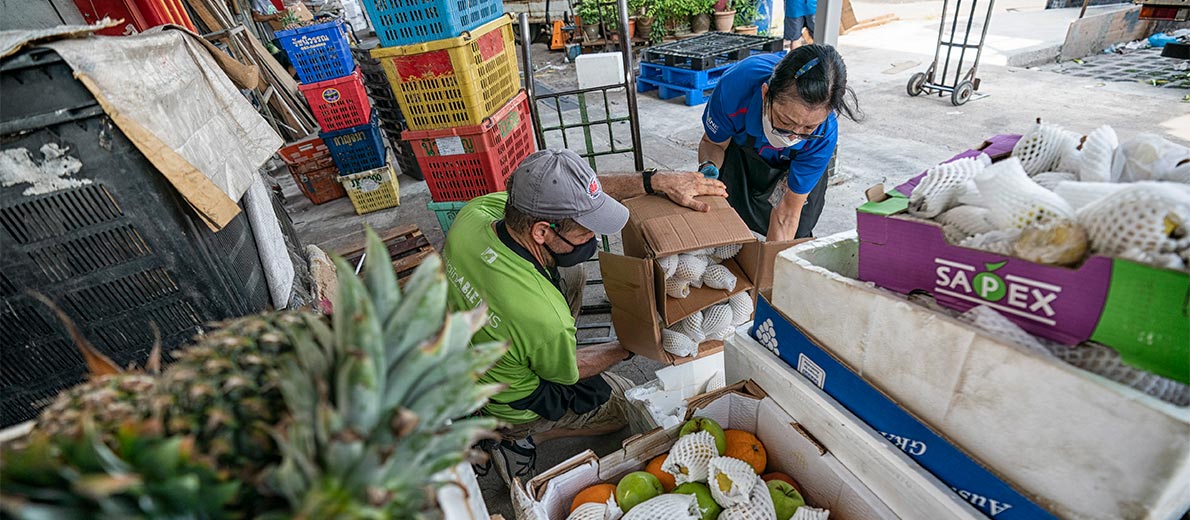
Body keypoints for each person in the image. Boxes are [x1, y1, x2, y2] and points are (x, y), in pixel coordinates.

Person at [442, 149, 727, 486]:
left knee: (573, 274)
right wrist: (633, 344)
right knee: (625, 403)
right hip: (508, 396)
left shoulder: (474, 215)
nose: (594, 237)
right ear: (541, 232)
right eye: (585, 231)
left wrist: (655, 181)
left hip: (464, 348)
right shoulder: (542, 315)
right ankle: (516, 439)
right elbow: (571, 372)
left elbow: (583, 196)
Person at [698, 44, 862, 241]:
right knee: (731, 223)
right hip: (742, 158)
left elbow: (786, 213)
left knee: (796, 234)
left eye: (808, 129)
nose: (794, 136)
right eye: (785, 122)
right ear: (766, 94)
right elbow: (714, 143)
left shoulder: (824, 134)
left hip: (794, 167)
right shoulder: (736, 89)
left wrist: (770, 266)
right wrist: (708, 168)